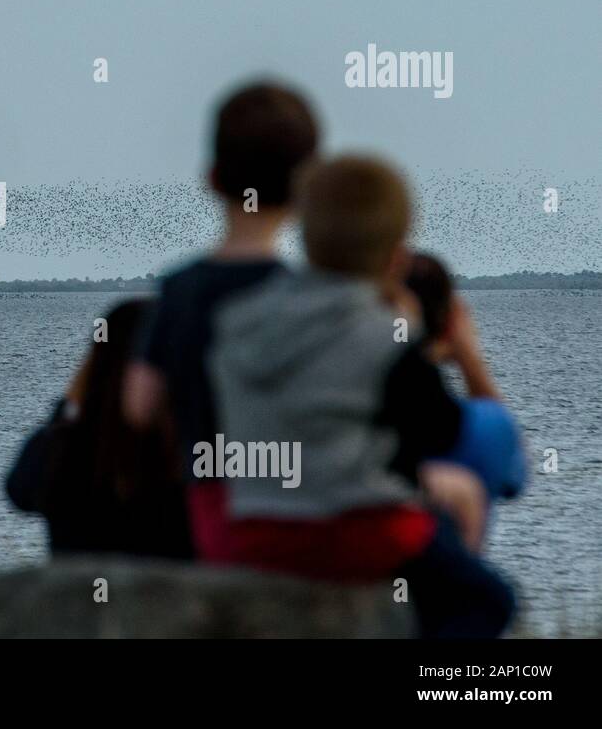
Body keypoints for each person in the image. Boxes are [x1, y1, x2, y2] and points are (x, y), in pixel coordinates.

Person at [207, 155, 515, 637]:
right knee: (488, 599)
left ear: (304, 235)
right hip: (352, 531)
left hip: (254, 529)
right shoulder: (384, 336)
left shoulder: (237, 321)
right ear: (396, 254)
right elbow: (443, 430)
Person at [123, 79, 320, 561]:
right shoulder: (311, 296)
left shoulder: (181, 289)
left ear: (212, 178)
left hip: (212, 507)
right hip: (305, 508)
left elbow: (139, 405)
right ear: (306, 185)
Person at [6, 299, 191, 558]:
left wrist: (70, 403)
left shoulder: (62, 450)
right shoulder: (189, 453)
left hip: (79, 596)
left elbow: (19, 492)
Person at [407, 252, 526, 548]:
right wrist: (469, 359)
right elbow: (513, 473)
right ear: (450, 323)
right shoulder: (483, 428)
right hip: (443, 584)